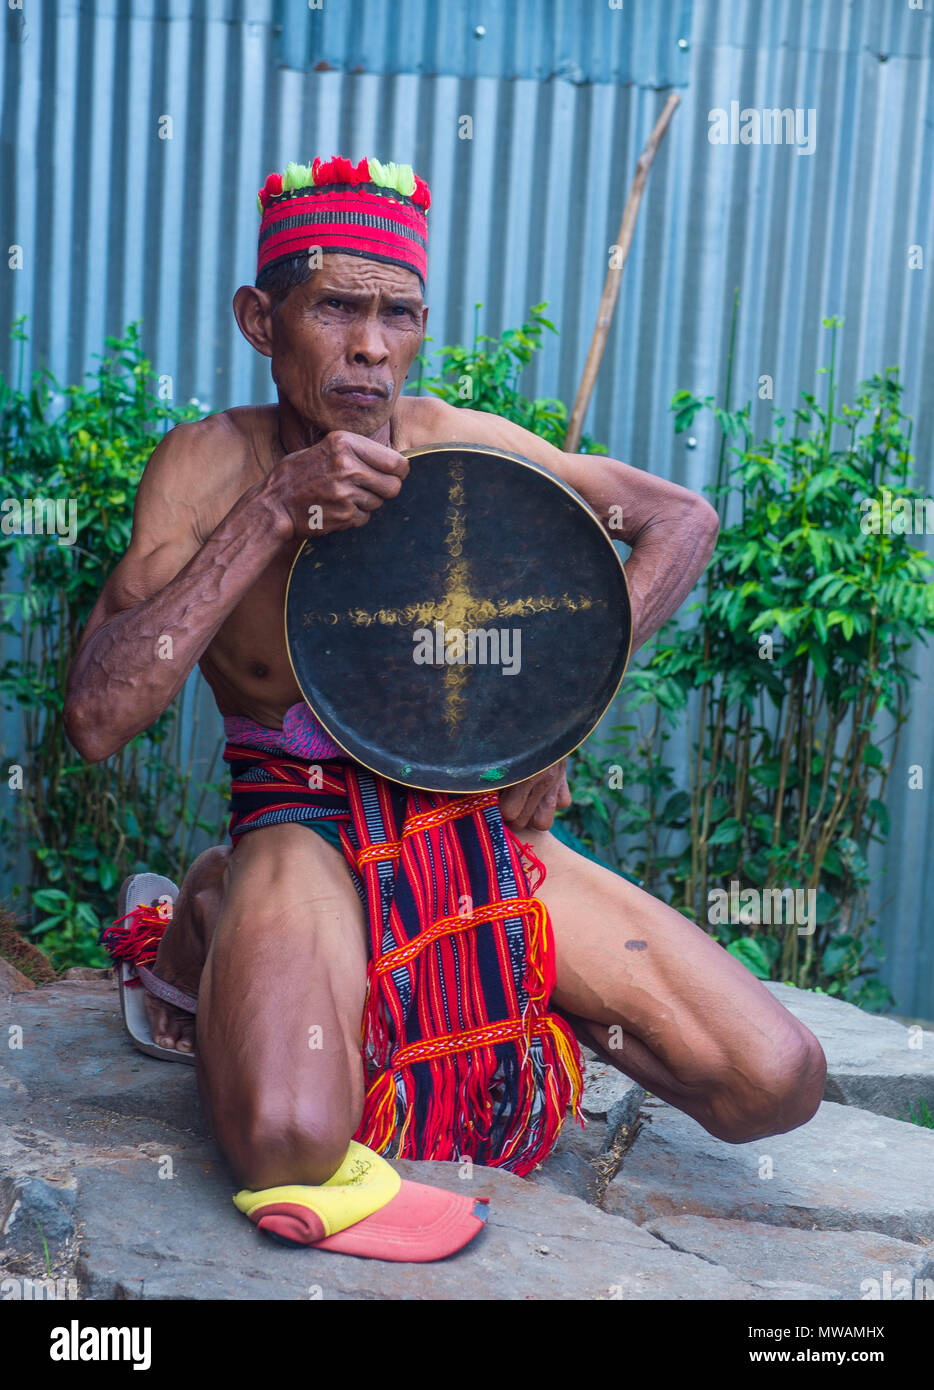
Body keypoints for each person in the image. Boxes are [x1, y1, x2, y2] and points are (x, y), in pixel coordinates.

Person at [64, 155, 826, 1261]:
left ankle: (510, 994)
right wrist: (276, 508)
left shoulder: (452, 444)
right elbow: (95, 714)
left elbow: (681, 519)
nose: (370, 344)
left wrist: (562, 712)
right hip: (300, 821)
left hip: (464, 827)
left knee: (775, 1077)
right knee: (289, 1139)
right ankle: (223, 911)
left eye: (398, 313)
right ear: (259, 317)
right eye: (335, 307)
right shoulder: (206, 467)